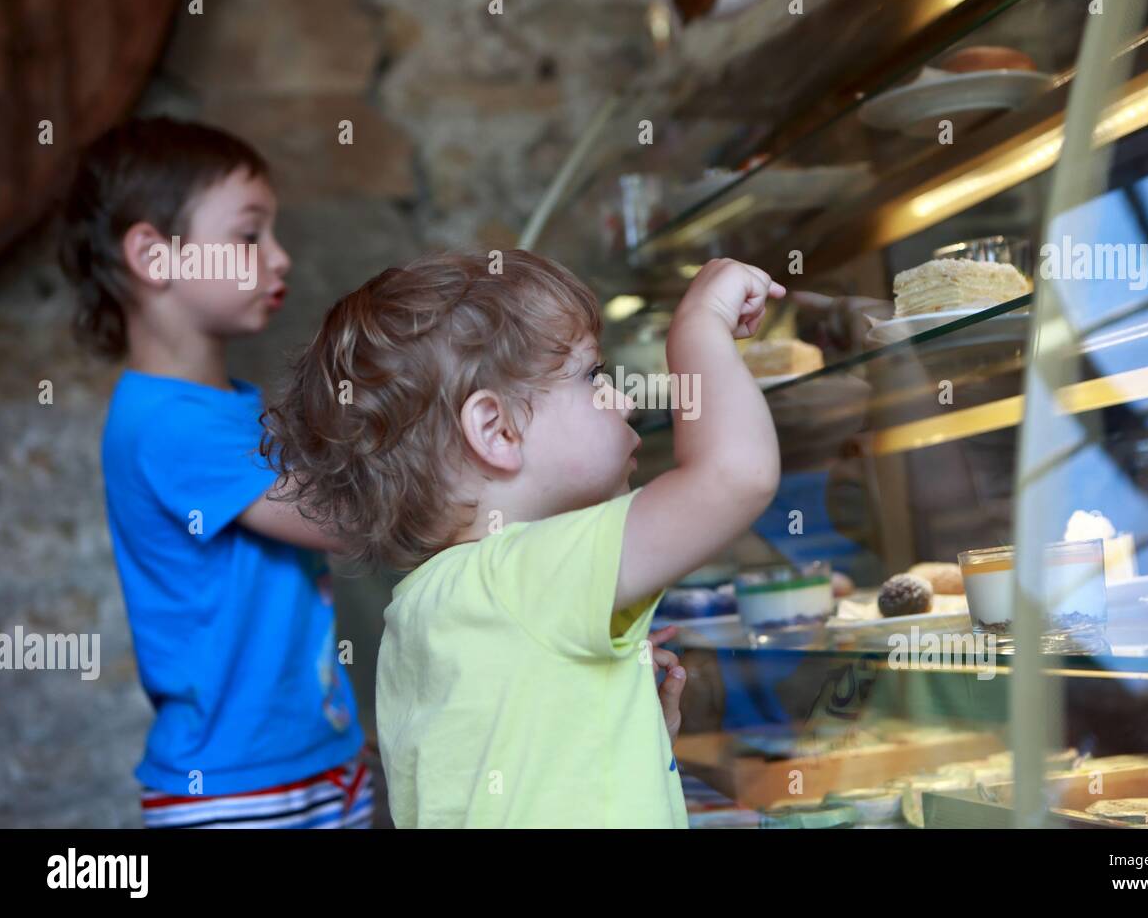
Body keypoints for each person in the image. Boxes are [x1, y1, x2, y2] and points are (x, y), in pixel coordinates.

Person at [262, 251, 784, 826]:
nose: (627, 400)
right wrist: (698, 324)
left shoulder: (425, 610)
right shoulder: (525, 575)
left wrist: (621, 725)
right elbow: (735, 475)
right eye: (593, 377)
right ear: (497, 430)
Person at [60, 117, 370, 827]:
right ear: (153, 255)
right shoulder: (167, 424)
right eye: (248, 236)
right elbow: (340, 518)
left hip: (318, 757)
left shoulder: (234, 409)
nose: (280, 258)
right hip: (233, 788)